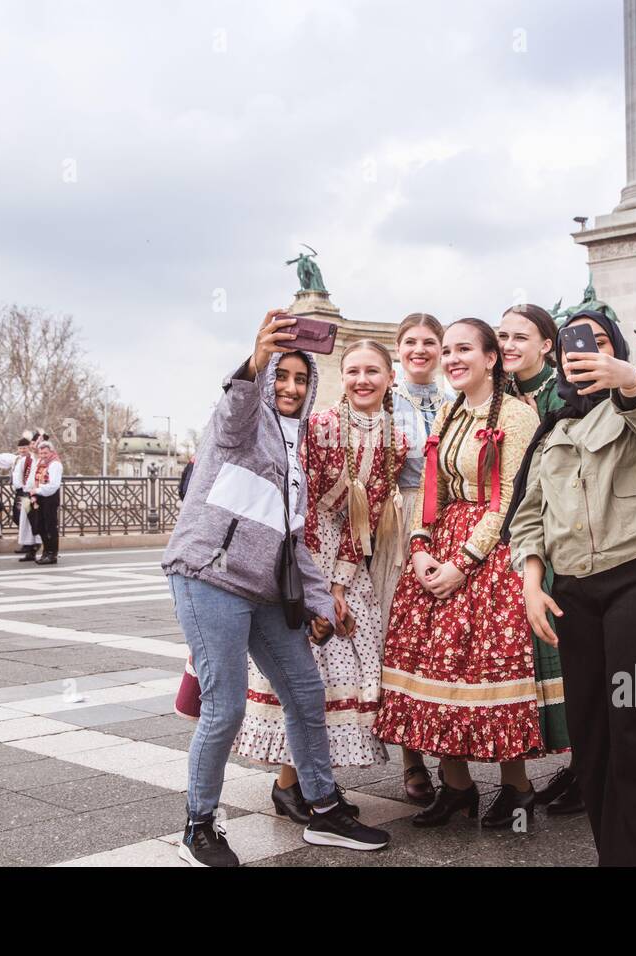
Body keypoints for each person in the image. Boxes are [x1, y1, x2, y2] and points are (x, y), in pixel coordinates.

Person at [162, 310, 391, 866]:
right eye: (281, 377)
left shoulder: (294, 452)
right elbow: (237, 405)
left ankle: (322, 808)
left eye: (300, 379)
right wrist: (256, 359)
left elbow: (294, 543)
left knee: (306, 691)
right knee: (225, 707)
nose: (290, 387)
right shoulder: (240, 423)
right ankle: (199, 825)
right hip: (209, 577)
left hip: (264, 589)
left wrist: (323, 604)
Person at [505, 307, 636, 865]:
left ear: (614, 349)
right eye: (572, 345)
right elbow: (528, 517)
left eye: (598, 342)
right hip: (575, 596)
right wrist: (532, 582)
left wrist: (628, 381)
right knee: (592, 742)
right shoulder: (553, 430)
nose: (584, 353)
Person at [372, 317, 546, 829]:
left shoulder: (516, 416)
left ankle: (517, 788)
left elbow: (510, 495)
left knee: (482, 666)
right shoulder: (447, 412)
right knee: (429, 667)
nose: (451, 359)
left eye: (463, 349)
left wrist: (464, 561)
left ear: (491, 358)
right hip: (439, 542)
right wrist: (422, 545)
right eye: (447, 350)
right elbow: (434, 488)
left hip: (488, 551)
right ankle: (457, 786)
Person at [234, 339, 407, 820]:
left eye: (373, 371)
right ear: (341, 377)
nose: (362, 380)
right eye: (352, 371)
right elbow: (301, 508)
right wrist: (319, 590)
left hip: (349, 564)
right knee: (308, 673)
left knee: (339, 675)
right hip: (305, 556)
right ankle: (292, 784)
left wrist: (342, 583)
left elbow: (366, 517)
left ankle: (310, 783)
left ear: (389, 377)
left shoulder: (396, 436)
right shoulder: (319, 427)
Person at [370, 313, 453, 804]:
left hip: (447, 522)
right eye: (410, 342)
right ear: (397, 350)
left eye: (429, 342)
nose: (419, 350)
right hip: (395, 523)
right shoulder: (381, 399)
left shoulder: (456, 400)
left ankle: (450, 752)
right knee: (397, 635)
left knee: (441, 639)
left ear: (441, 350)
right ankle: (411, 757)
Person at [498, 303, 576, 811]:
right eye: (502, 336)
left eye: (520, 337)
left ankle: (586, 768)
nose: (508, 345)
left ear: (547, 345)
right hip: (519, 537)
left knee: (571, 655)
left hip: (565, 535)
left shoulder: (563, 391)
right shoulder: (497, 394)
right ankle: (575, 764)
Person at [27, 439, 63, 565]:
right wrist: (34, 491)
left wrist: (38, 490)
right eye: (41, 453)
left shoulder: (55, 464)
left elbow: (53, 485)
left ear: (51, 452)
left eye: (45, 453)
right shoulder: (41, 463)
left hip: (50, 497)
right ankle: (46, 551)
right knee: (41, 525)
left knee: (50, 526)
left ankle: (52, 553)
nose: (43, 456)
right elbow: (35, 478)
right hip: (40, 496)